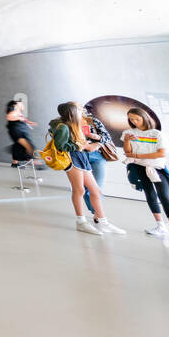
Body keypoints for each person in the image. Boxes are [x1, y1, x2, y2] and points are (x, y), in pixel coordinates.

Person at [48, 101, 126, 236]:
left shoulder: (76, 124)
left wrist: (87, 144)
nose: (81, 111)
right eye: (78, 110)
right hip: (73, 160)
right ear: (72, 112)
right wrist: (83, 146)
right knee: (79, 190)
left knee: (95, 190)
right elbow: (61, 146)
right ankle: (81, 221)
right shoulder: (63, 127)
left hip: (82, 158)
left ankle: (103, 221)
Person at [123, 107, 169, 244]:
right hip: (139, 167)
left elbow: (161, 153)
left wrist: (137, 155)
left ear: (144, 118)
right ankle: (160, 225)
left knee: (164, 195)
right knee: (150, 194)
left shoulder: (156, 134)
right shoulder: (128, 132)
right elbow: (127, 152)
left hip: (156, 168)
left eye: (137, 119)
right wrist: (127, 141)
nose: (134, 121)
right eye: (131, 119)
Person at [79, 104, 116, 213]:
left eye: (79, 109)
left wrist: (95, 139)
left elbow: (107, 137)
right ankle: (96, 212)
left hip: (98, 155)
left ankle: (97, 213)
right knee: (85, 188)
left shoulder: (92, 121)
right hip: (80, 156)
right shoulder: (68, 124)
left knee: (97, 186)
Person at [5, 99, 39, 168]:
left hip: (19, 131)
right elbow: (9, 117)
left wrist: (29, 122)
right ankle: (35, 161)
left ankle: (15, 163)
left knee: (18, 147)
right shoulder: (13, 112)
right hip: (17, 132)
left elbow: (24, 119)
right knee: (28, 145)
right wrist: (19, 118)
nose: (23, 105)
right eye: (21, 104)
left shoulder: (18, 113)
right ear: (16, 105)